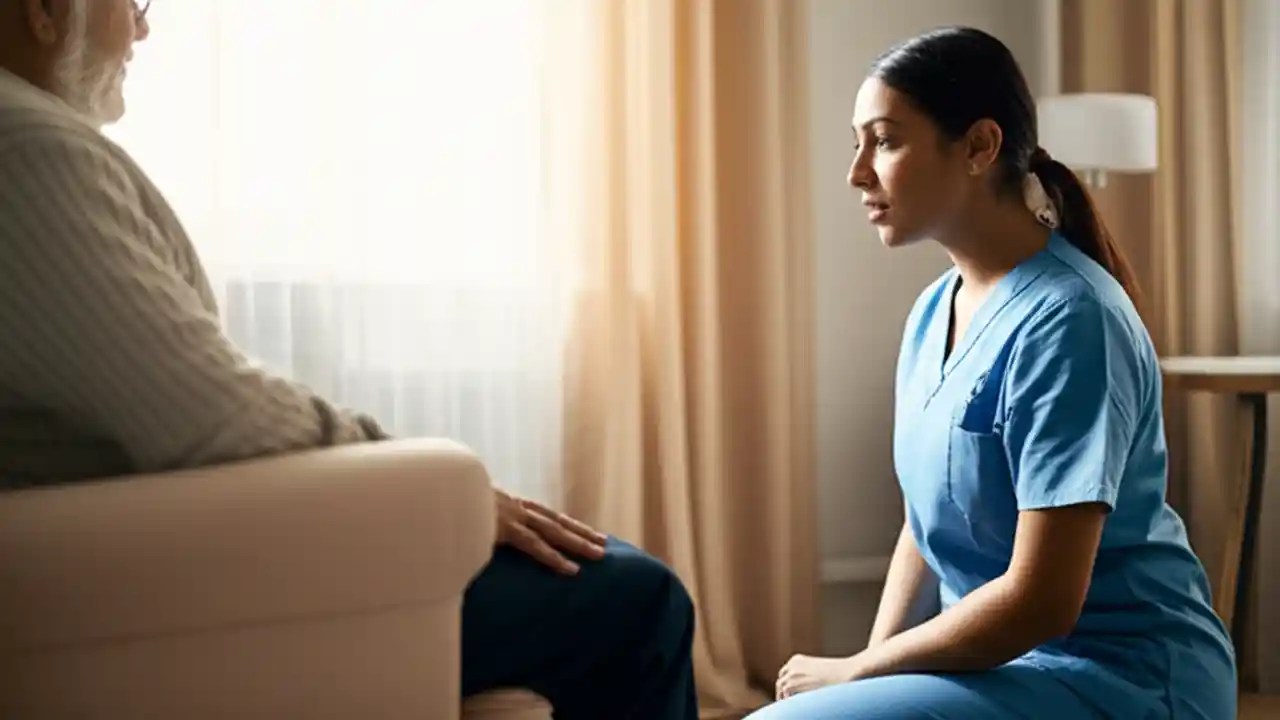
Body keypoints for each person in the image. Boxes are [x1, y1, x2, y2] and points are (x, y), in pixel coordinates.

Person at [0, 1, 697, 717]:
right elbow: (210, 413)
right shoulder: (29, 150)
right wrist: (442, 497)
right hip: (171, 593)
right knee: (636, 598)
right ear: (46, 12)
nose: (143, 29)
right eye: (129, 2)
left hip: (137, 566)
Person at [754, 26, 1235, 720]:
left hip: (1120, 679)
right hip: (993, 669)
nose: (858, 171)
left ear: (980, 146)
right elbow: (927, 526)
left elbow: (1041, 601)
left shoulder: (1072, 319)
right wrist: (869, 677)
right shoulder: (932, 312)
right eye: (858, 143)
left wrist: (858, 669)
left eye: (884, 141)